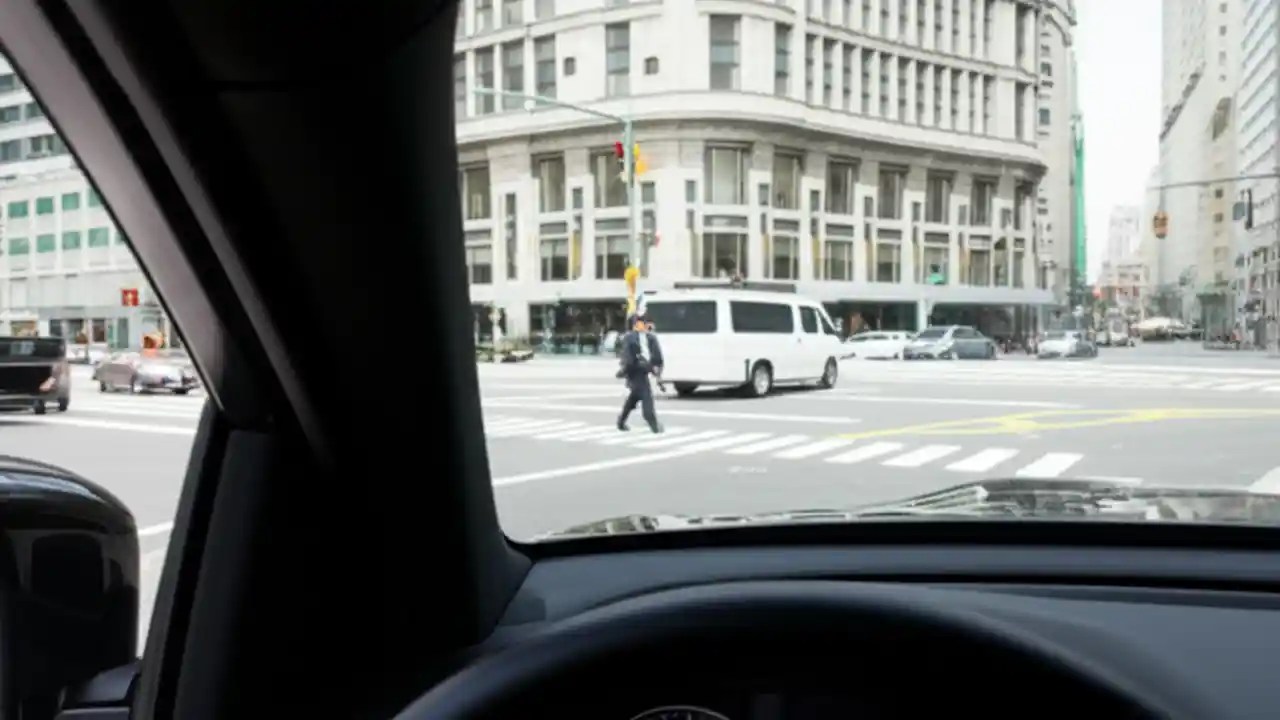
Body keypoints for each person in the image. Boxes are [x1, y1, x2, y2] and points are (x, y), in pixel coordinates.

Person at [616, 313, 664, 433]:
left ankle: (621, 421)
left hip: (644, 371)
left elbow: (657, 357)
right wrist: (625, 370)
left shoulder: (651, 338)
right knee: (645, 396)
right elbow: (627, 356)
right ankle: (653, 424)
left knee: (634, 397)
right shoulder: (630, 338)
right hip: (635, 371)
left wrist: (656, 370)